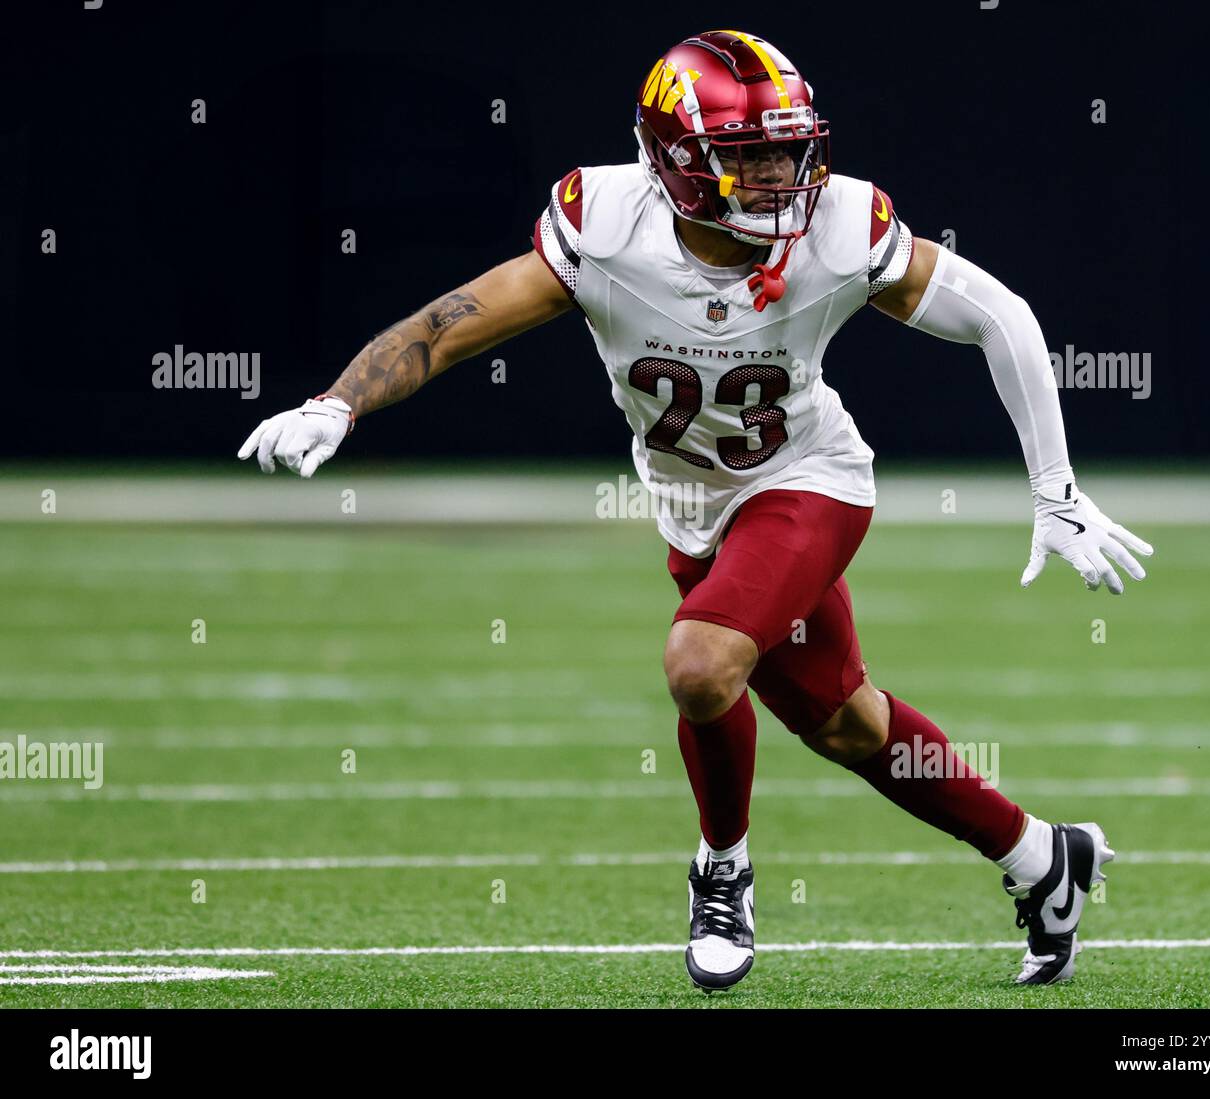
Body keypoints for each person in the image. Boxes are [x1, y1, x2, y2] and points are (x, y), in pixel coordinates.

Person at [239, 29, 1151, 991]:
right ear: (675, 160)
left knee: (702, 662)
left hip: (809, 478)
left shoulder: (839, 229)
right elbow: (450, 323)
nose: (780, 175)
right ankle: (1044, 859)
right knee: (844, 722)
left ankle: (722, 872)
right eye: (749, 154)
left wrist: (1055, 491)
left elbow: (1001, 315)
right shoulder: (605, 228)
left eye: (789, 149)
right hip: (691, 503)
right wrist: (337, 400)